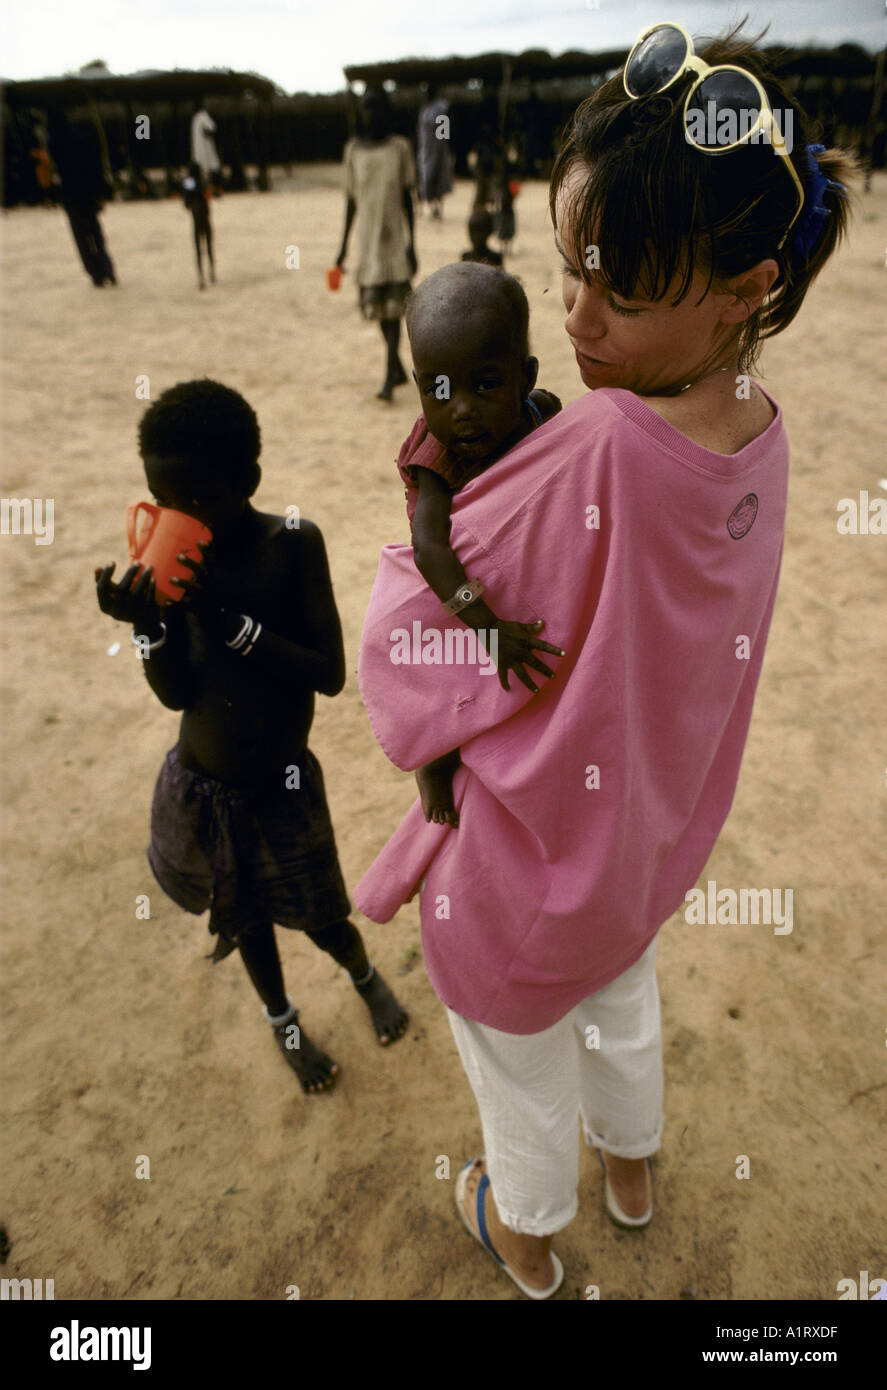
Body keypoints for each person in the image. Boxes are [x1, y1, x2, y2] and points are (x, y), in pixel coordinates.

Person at [355, 20, 854, 1295]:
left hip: (524, 876)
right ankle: (629, 1168)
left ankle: (521, 1231)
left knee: (519, 1068)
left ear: (744, 287)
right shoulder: (761, 432)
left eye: (619, 291)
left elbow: (401, 654)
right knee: (621, 1014)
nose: (571, 318)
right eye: (569, 267)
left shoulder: (594, 452)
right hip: (637, 852)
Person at [94, 379, 408, 1095]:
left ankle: (363, 977)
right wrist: (148, 626)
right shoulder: (167, 569)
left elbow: (326, 674)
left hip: (283, 787)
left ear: (248, 481)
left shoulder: (290, 547)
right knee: (248, 925)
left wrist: (219, 614)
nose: (178, 517)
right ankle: (284, 1022)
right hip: (205, 787)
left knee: (325, 916)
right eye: (163, 501)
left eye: (195, 500)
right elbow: (176, 692)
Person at [396, 262, 563, 827]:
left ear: (526, 377)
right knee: (455, 672)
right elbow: (429, 551)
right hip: (451, 578)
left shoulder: (540, 411)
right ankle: (436, 760)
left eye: (485, 385)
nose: (461, 407)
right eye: (439, 390)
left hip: (508, 556)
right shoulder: (437, 457)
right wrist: (489, 630)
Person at [336, 88, 417, 401]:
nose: (371, 115)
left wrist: (412, 243)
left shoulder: (399, 148)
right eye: (366, 109)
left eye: (376, 108)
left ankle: (387, 376)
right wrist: (342, 247)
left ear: (386, 111)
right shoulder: (353, 150)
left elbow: (408, 200)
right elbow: (351, 201)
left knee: (394, 310)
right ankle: (395, 364)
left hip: (394, 241)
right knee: (377, 309)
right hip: (367, 243)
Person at [48, 109, 116, 287]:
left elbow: (57, 169)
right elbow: (95, 165)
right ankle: (107, 267)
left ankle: (95, 273)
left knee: (82, 237)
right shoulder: (82, 138)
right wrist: (99, 191)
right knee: (95, 232)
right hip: (89, 192)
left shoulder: (54, 141)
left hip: (71, 195)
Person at [416, 83, 453, 219]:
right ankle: (431, 206)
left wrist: (441, 148)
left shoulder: (440, 108)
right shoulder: (425, 109)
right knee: (427, 178)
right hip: (426, 149)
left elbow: (443, 132)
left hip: (437, 148)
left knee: (438, 177)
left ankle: (437, 208)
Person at [181, 161, 215, 290]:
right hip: (205, 216)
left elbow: (186, 203)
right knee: (208, 246)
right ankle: (212, 271)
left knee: (198, 249)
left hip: (196, 218)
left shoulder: (189, 182)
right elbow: (209, 196)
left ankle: (201, 276)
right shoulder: (203, 181)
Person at [190, 97, 221, 192]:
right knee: (202, 170)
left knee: (209, 169)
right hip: (199, 149)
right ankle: (205, 189)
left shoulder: (203, 116)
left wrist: (206, 133)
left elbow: (212, 129)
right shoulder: (196, 118)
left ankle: (213, 189)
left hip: (206, 149)